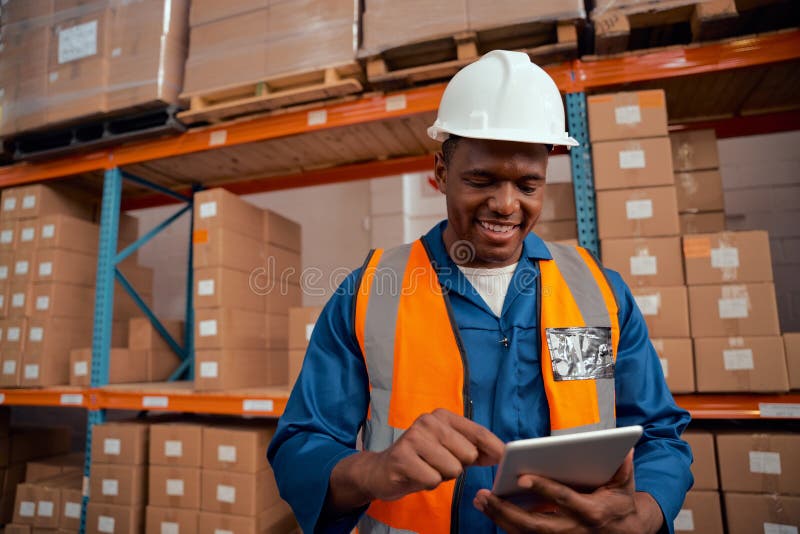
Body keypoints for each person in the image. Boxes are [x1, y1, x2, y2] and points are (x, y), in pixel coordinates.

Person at [268, 50, 693, 533]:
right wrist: (375, 470)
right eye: (481, 180)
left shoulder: (597, 291)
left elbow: (659, 434)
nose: (506, 205)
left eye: (527, 184)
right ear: (442, 172)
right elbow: (300, 447)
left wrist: (644, 514)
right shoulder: (371, 292)